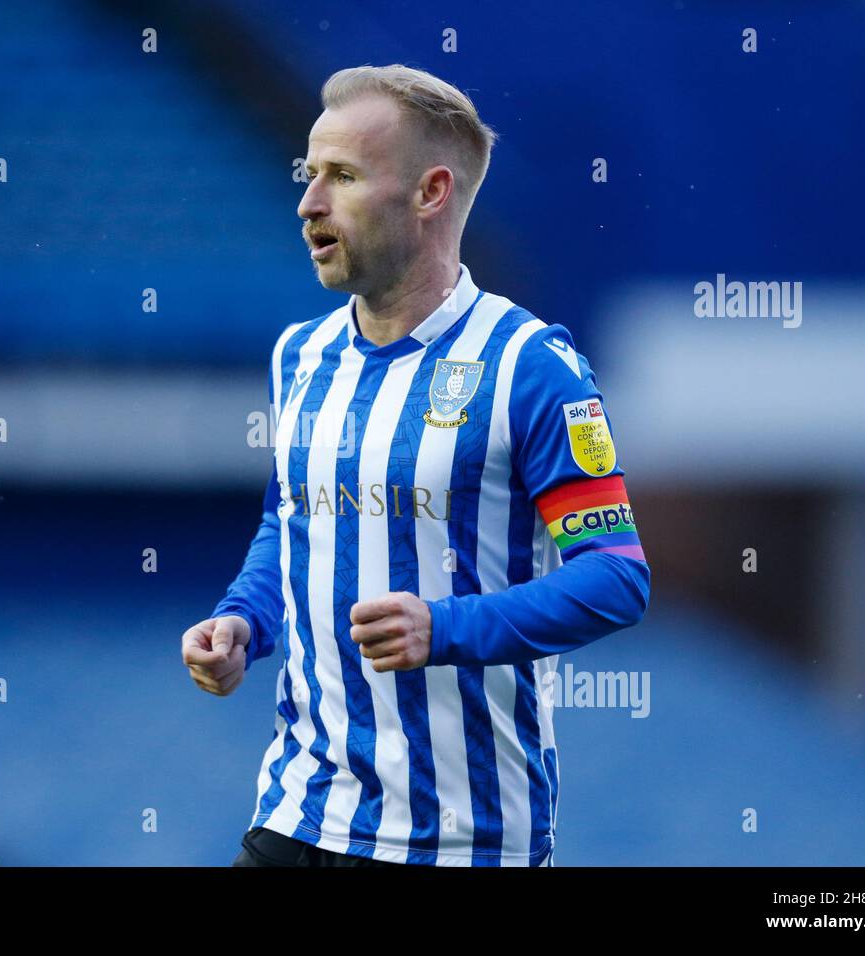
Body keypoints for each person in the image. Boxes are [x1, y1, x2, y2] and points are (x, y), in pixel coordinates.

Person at [181, 64, 650, 867]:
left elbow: (616, 579)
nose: (308, 204)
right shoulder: (302, 354)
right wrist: (243, 620)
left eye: (343, 177)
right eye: (308, 175)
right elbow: (290, 519)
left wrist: (444, 627)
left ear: (431, 193)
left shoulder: (531, 367)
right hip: (297, 815)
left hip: (459, 840)